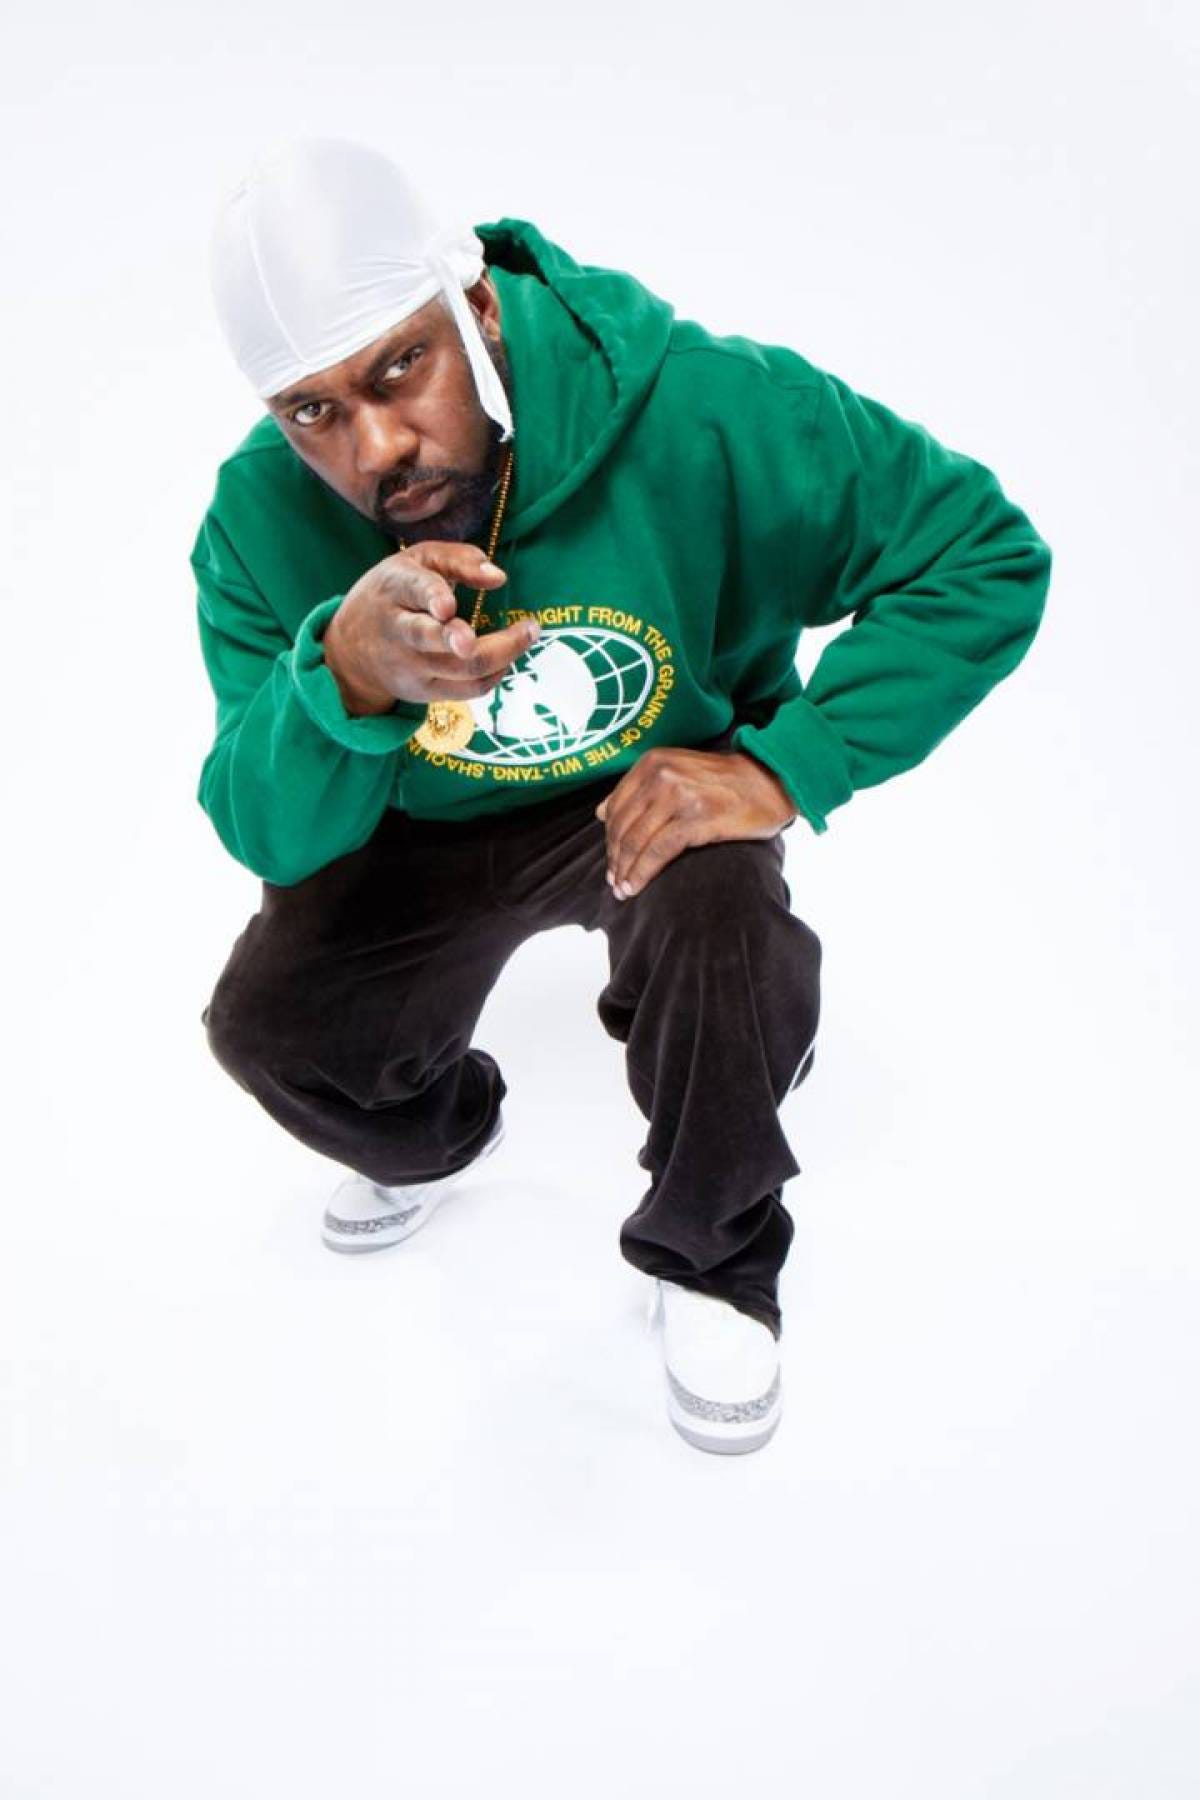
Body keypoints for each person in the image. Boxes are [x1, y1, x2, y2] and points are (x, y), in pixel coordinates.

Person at [193, 136, 1053, 1456]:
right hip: (420, 831)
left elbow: (981, 554)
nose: (375, 445)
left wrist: (783, 766)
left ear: (476, 310)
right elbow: (265, 832)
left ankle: (714, 1261)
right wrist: (342, 681)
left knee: (727, 934)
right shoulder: (255, 524)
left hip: (659, 793)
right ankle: (444, 1141)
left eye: (399, 368)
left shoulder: (707, 411)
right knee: (272, 1027)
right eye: (312, 412)